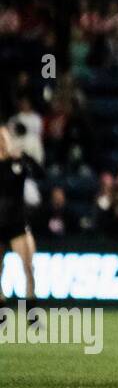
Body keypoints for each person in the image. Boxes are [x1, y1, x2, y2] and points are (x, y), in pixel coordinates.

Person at [0, 126, 39, 315]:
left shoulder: (17, 163)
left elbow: (40, 173)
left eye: (3, 138)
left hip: (16, 221)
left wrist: (26, 158)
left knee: (28, 266)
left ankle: (31, 312)